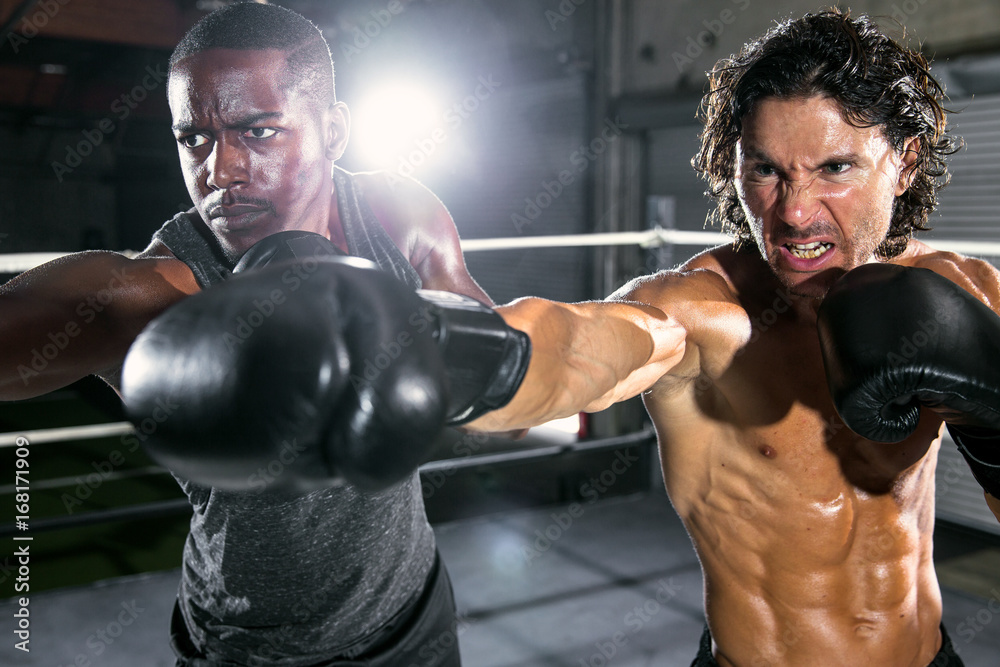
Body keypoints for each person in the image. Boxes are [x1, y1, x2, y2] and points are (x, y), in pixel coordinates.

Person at [132, 8, 1000, 667]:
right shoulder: (700, 309)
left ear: (907, 160)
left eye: (835, 169)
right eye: (764, 170)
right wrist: (429, 347)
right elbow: (582, 344)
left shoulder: (965, 293)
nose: (795, 210)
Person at [0, 3, 504, 665]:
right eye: (194, 138)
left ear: (333, 130)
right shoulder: (150, 294)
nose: (220, 170)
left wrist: (430, 365)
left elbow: (508, 391)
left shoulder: (398, 220)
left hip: (414, 620)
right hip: (246, 651)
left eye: (257, 132)